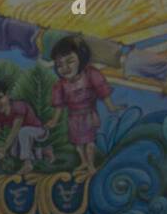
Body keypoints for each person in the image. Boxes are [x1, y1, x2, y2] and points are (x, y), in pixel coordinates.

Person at [45, 35, 121, 177]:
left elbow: (102, 91)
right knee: (77, 143)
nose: (65, 68)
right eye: (59, 65)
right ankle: (84, 162)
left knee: (89, 141)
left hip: (88, 115)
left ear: (81, 59)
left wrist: (111, 107)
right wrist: (54, 120)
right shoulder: (60, 85)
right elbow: (59, 105)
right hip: (73, 118)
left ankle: (91, 165)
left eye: (70, 62)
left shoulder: (90, 74)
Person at [0, 79, 51, 175]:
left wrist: (3, 149)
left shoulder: (18, 106)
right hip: (24, 135)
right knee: (14, 152)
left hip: (39, 132)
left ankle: (27, 164)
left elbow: (15, 130)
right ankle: (43, 151)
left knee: (23, 132)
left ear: (8, 95)